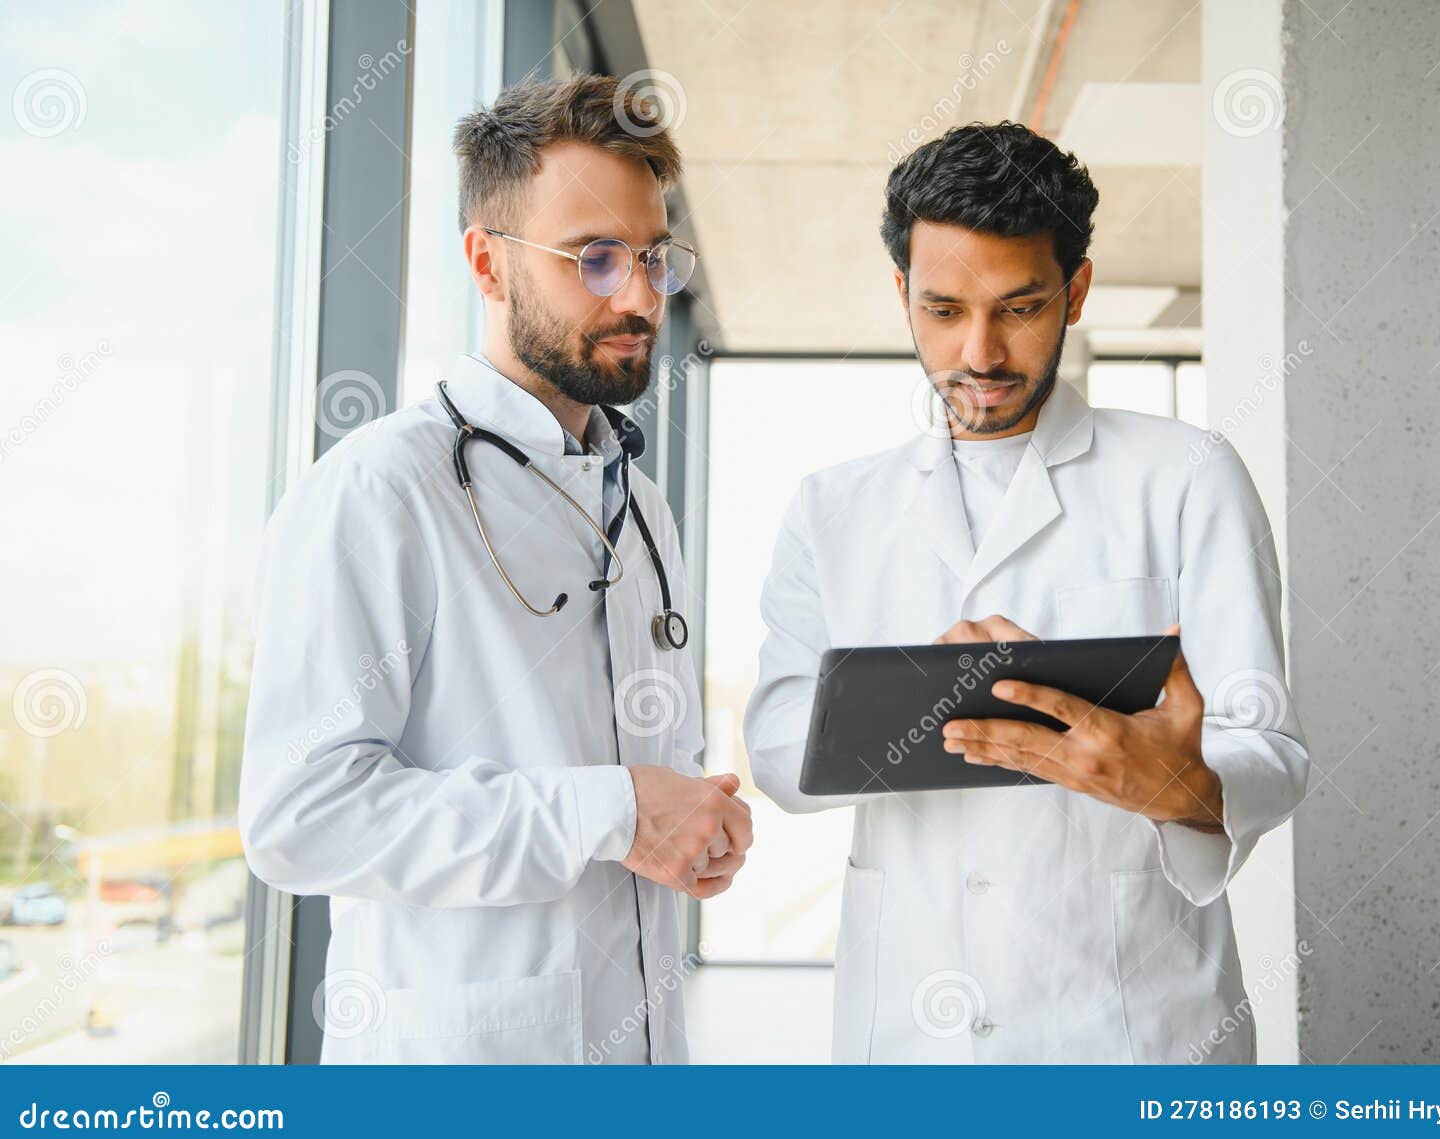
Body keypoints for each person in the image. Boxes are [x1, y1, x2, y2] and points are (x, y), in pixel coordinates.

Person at [745, 122, 1309, 1063]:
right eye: (941, 310)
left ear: (1075, 291)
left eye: (1020, 306)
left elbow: (1270, 744)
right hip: (910, 1030)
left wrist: (1177, 782)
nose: (980, 351)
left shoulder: (1187, 474)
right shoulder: (833, 507)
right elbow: (773, 749)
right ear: (901, 295)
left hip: (1134, 1026)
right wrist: (927, 694)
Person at [239, 75, 751, 1064]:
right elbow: (298, 819)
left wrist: (685, 820)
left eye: (653, 258)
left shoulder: (638, 503)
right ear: (486, 262)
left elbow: (621, 780)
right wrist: (615, 811)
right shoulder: (381, 488)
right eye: (594, 259)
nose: (640, 295)